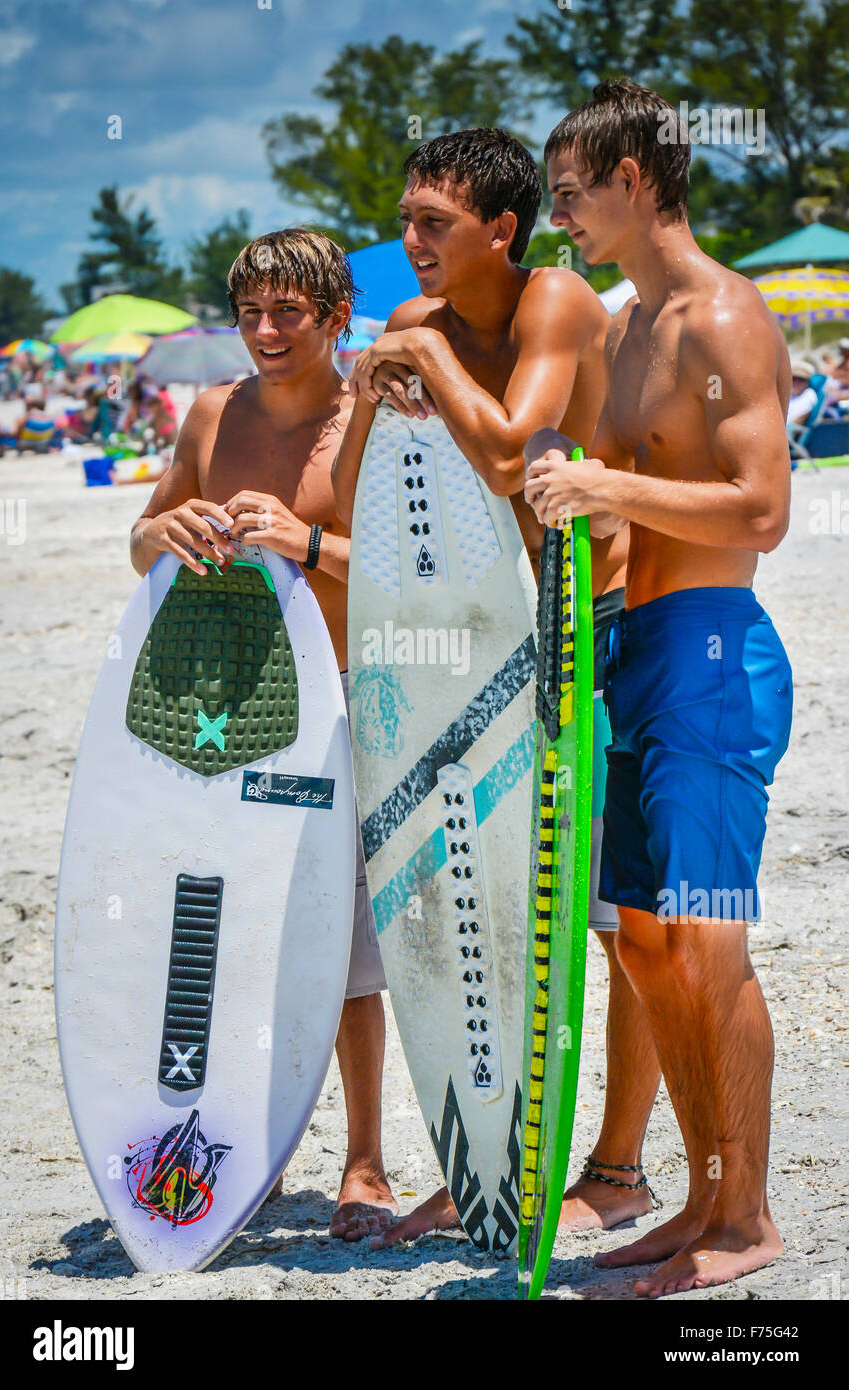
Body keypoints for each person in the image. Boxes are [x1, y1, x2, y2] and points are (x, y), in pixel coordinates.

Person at [331, 126, 635, 1245]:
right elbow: (350, 498)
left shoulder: (554, 297)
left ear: (501, 230)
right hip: (476, 645)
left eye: (434, 223)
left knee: (607, 918)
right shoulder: (413, 324)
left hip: (590, 629)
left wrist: (425, 352)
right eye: (405, 220)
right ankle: (487, 1168)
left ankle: (615, 1168)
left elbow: (512, 454)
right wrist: (371, 387)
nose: (411, 242)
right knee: (476, 897)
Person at [524, 79, 793, 1298]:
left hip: (710, 659)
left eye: (571, 194)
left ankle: (747, 1213)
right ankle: (697, 1197)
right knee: (641, 941)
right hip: (629, 652)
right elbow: (605, 490)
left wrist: (606, 487)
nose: (559, 218)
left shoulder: (721, 317)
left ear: (632, 180)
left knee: (703, 938)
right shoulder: (626, 325)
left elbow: (761, 508)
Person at [128, 229, 396, 1243]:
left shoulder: (369, 416)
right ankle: (246, 1143)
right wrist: (163, 533)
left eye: (288, 311)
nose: (266, 331)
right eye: (250, 313)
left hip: (349, 709)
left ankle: (364, 1161)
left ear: (335, 316)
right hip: (231, 712)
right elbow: (142, 539)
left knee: (344, 946)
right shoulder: (211, 413)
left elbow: (409, 574)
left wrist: (305, 540)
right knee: (231, 935)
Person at [786, 360, 818, 426]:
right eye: (794, 378)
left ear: (807, 382)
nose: (796, 382)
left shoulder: (809, 394)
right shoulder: (786, 395)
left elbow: (799, 420)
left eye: (801, 379)